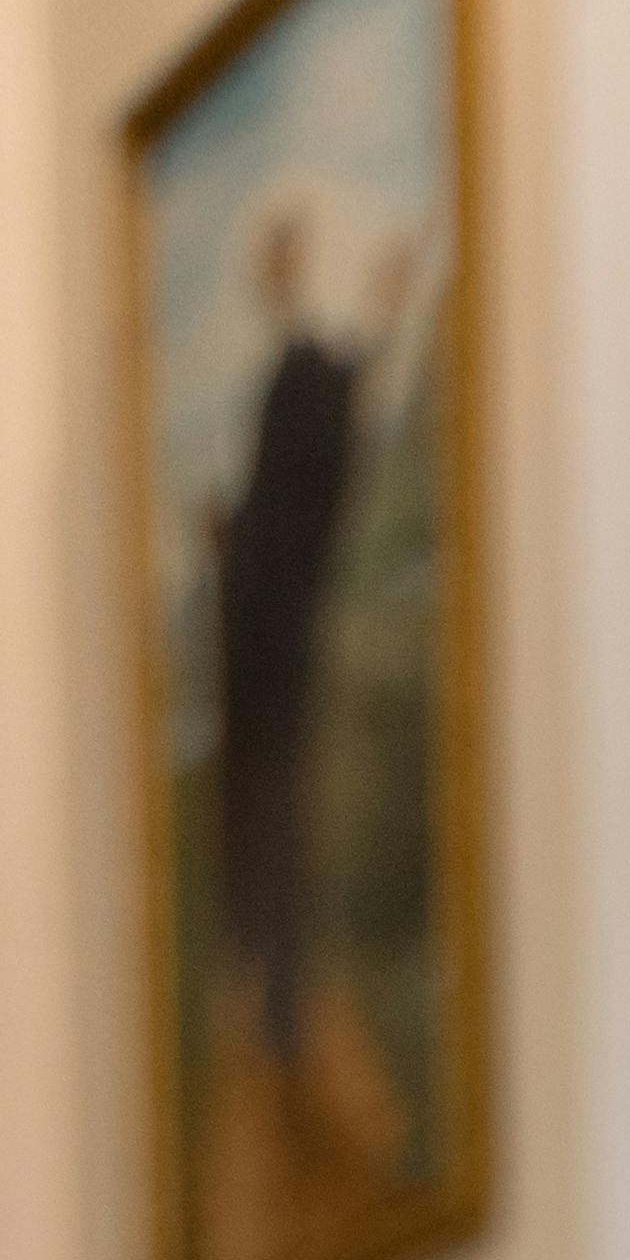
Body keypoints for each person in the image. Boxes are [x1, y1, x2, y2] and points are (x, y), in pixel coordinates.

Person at [212, 206, 364, 1095]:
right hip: (263, 646)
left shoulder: (312, 371)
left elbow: (304, 506)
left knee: (287, 818)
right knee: (268, 822)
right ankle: (275, 1000)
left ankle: (288, 1002)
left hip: (285, 640)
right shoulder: (291, 372)